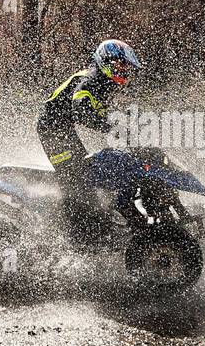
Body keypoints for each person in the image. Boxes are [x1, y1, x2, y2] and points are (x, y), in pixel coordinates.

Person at [36, 39, 141, 239]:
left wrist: (128, 129)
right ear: (106, 61)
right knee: (75, 176)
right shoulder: (92, 78)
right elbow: (82, 111)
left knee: (90, 170)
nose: (124, 71)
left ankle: (98, 219)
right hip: (52, 128)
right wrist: (113, 129)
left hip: (64, 128)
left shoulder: (105, 84)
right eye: (121, 65)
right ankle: (76, 233)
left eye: (126, 67)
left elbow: (103, 114)